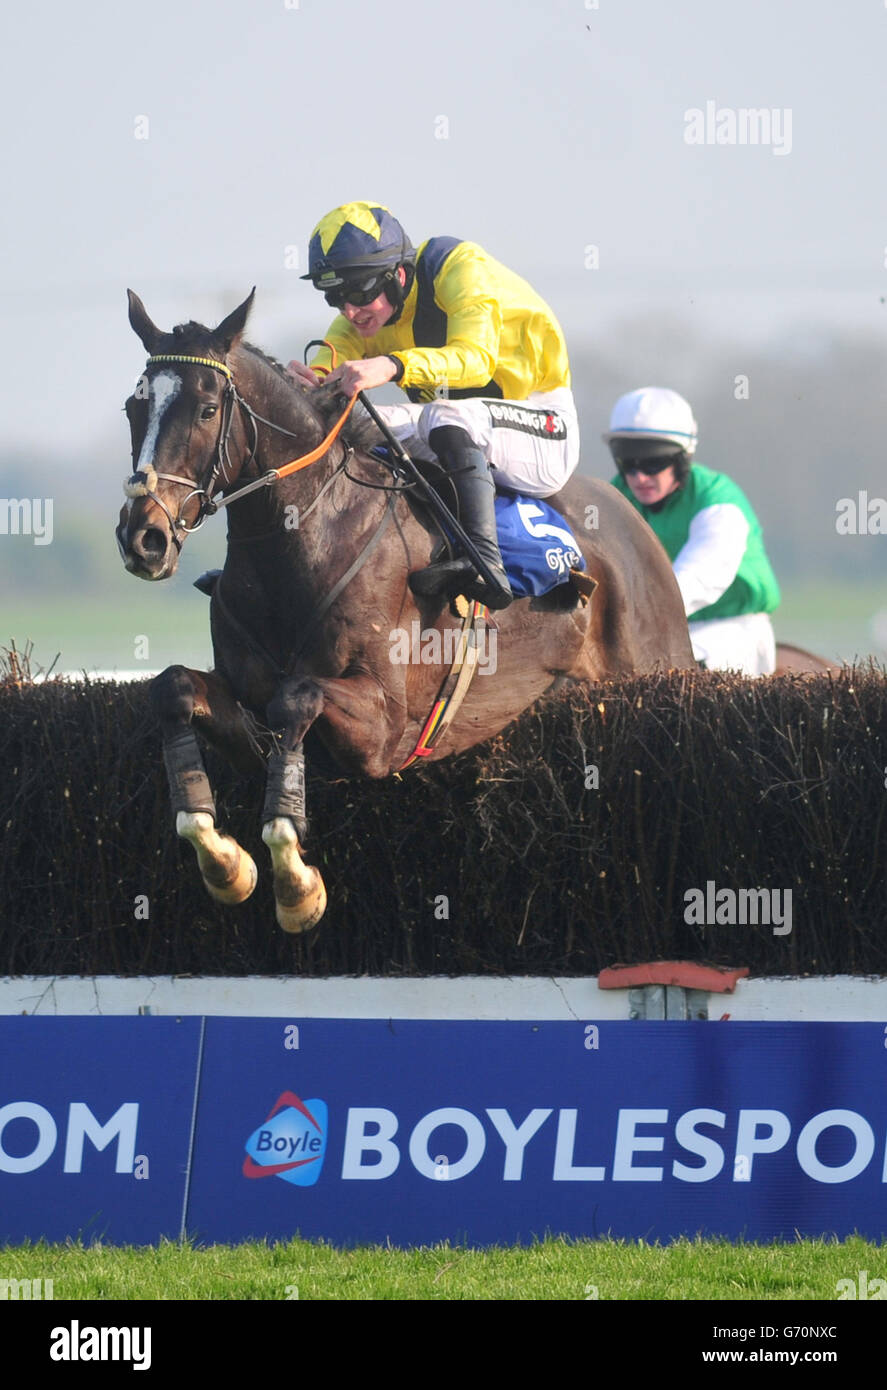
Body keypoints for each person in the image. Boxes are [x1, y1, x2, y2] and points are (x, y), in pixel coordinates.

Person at [287, 201, 580, 609]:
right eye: (334, 296)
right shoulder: (358, 319)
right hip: (462, 429)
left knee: (446, 413)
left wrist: (393, 365)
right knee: (346, 421)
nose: (350, 310)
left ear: (397, 275)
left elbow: (477, 360)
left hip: (542, 424)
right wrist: (310, 386)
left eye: (358, 291)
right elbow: (328, 366)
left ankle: (485, 564)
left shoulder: (458, 267)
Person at [604, 387, 780, 675]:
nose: (639, 477)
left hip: (734, 629)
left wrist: (627, 619)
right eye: (627, 463)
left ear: (682, 458)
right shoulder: (615, 497)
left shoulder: (717, 500)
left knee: (672, 678)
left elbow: (697, 578)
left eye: (652, 462)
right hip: (655, 630)